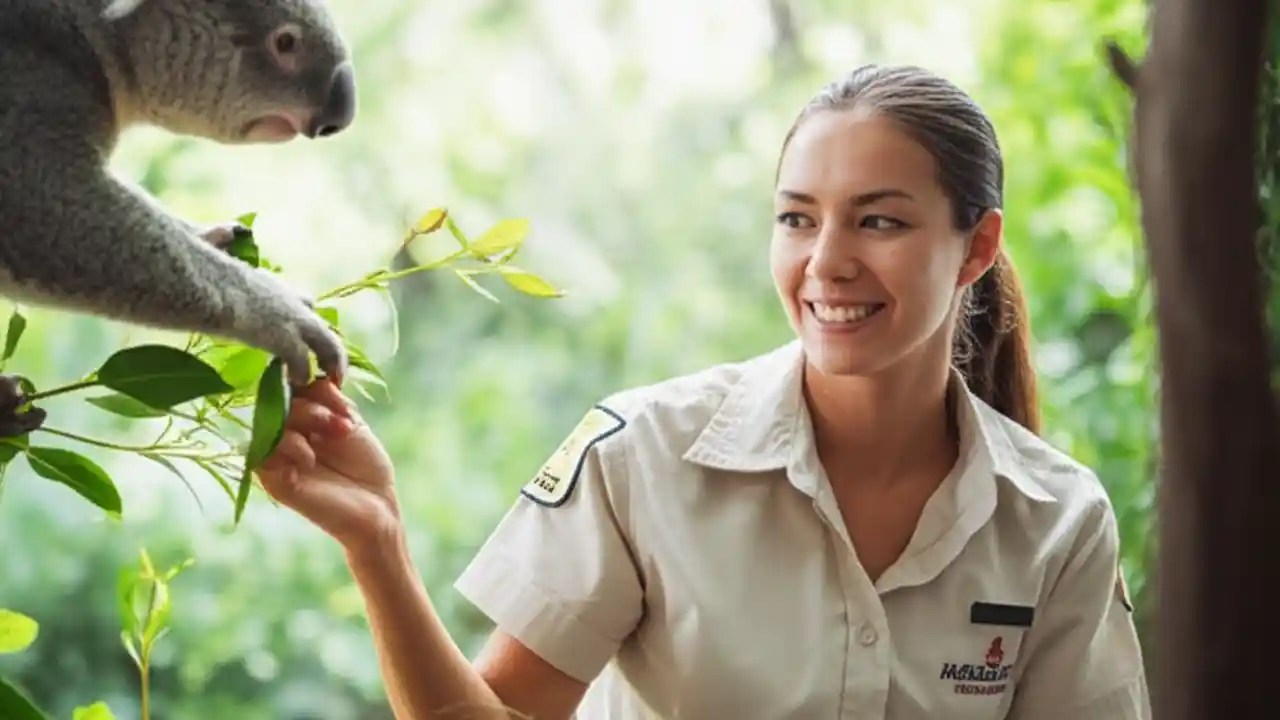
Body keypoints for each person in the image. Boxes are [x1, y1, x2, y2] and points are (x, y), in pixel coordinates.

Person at [257, 64, 1151, 719]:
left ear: (977, 246)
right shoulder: (639, 457)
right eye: (798, 218)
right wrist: (377, 543)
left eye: (879, 220)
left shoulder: (1056, 521)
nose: (827, 261)